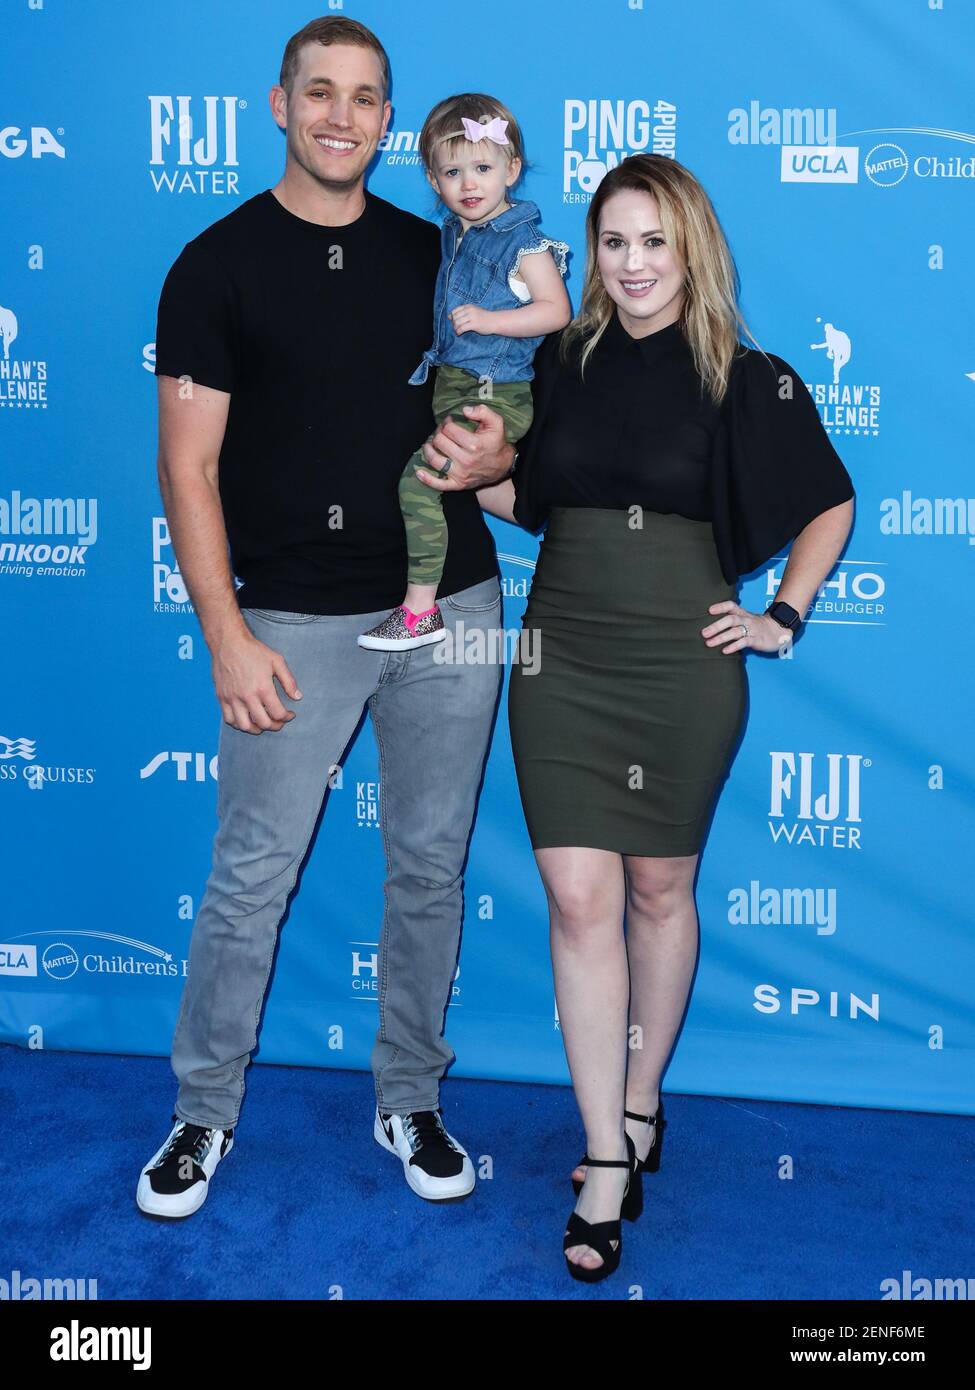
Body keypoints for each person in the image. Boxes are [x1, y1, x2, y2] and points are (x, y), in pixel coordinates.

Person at [450, 154, 856, 1280]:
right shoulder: (558, 364)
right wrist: (465, 466)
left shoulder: (747, 374)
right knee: (580, 899)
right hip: (565, 649)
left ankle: (640, 1100)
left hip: (682, 658)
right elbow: (522, 496)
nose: (630, 266)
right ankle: (602, 1158)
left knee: (656, 888)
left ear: (692, 250)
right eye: (612, 243)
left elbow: (829, 502)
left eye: (652, 243)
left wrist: (781, 614)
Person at [136, 16, 516, 1220]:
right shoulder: (216, 263)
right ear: (279, 104)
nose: (342, 116)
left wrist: (502, 449)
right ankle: (201, 1114)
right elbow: (186, 471)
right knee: (251, 877)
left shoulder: (438, 254)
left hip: (449, 604)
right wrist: (227, 637)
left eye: (365, 98)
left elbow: (500, 403)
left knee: (430, 867)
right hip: (289, 621)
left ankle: (410, 1094)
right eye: (321, 93)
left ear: (386, 117)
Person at [357, 95, 570, 651]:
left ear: (512, 170)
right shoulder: (456, 232)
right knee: (449, 481)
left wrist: (492, 318)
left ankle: (420, 610)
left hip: (494, 395)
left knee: (420, 481)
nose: (469, 184)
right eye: (453, 172)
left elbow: (556, 311)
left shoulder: (524, 242)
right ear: (432, 178)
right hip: (457, 386)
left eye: (483, 168)